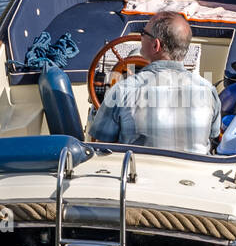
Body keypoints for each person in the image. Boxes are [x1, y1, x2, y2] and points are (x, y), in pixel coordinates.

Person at [88, 11, 222, 154]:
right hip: (191, 174)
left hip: (139, 173)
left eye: (143, 33)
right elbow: (213, 137)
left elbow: (102, 147)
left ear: (155, 45)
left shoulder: (122, 90)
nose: (141, 37)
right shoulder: (208, 91)